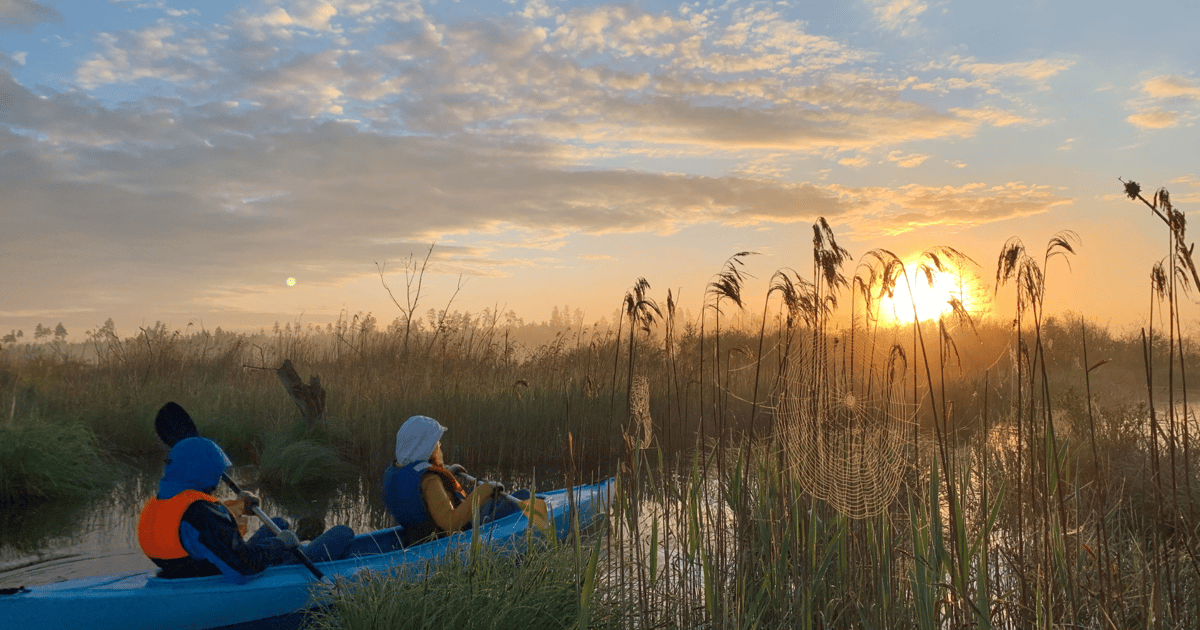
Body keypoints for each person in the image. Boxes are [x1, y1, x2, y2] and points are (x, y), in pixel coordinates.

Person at [138, 436, 354, 583]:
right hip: (232, 577)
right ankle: (295, 552)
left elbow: (199, 531)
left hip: (193, 573)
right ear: (204, 472)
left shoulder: (158, 505)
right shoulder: (202, 515)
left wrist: (240, 507)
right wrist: (280, 545)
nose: (218, 478)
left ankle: (293, 544)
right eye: (217, 472)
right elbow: (244, 569)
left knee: (277, 523)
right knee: (343, 533)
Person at [382, 415, 518, 546]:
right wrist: (485, 490)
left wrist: (447, 474)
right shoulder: (430, 480)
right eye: (436, 442)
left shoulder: (395, 471)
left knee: (471, 492)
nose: (439, 445)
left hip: (417, 535)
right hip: (440, 542)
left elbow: (415, 490)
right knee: (520, 498)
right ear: (424, 446)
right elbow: (450, 523)